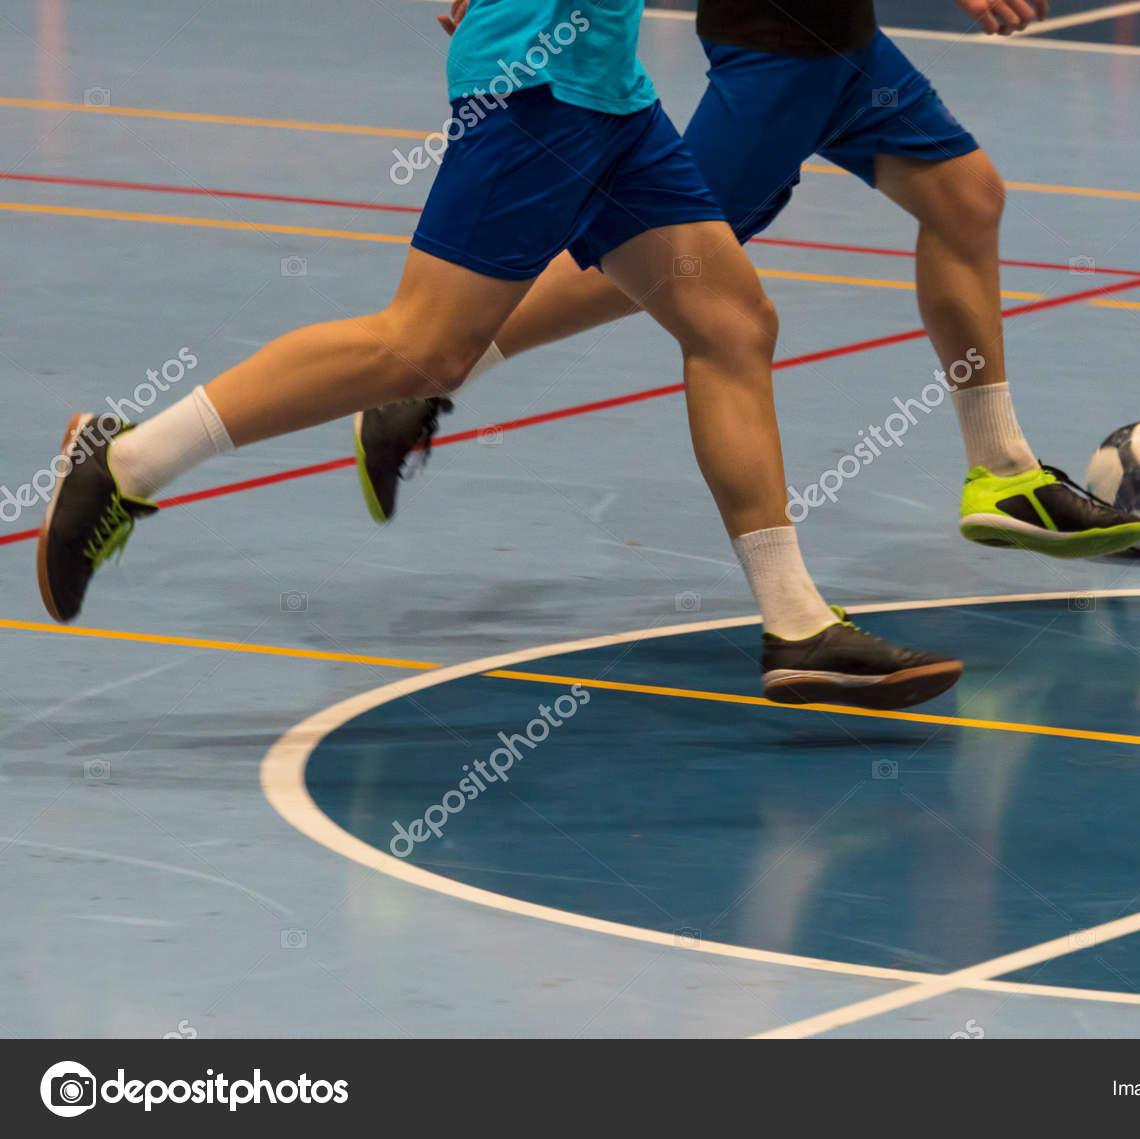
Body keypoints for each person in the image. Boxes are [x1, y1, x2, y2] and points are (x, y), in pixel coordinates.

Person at [34, 0, 965, 711]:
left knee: (732, 323)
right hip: (540, 87)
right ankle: (123, 461)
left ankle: (796, 625)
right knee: (421, 350)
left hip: (607, 87)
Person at [357, 0, 1140, 566]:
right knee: (669, 260)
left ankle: (1003, 474)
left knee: (966, 198)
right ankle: (434, 368)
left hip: (842, 41)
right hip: (778, 44)